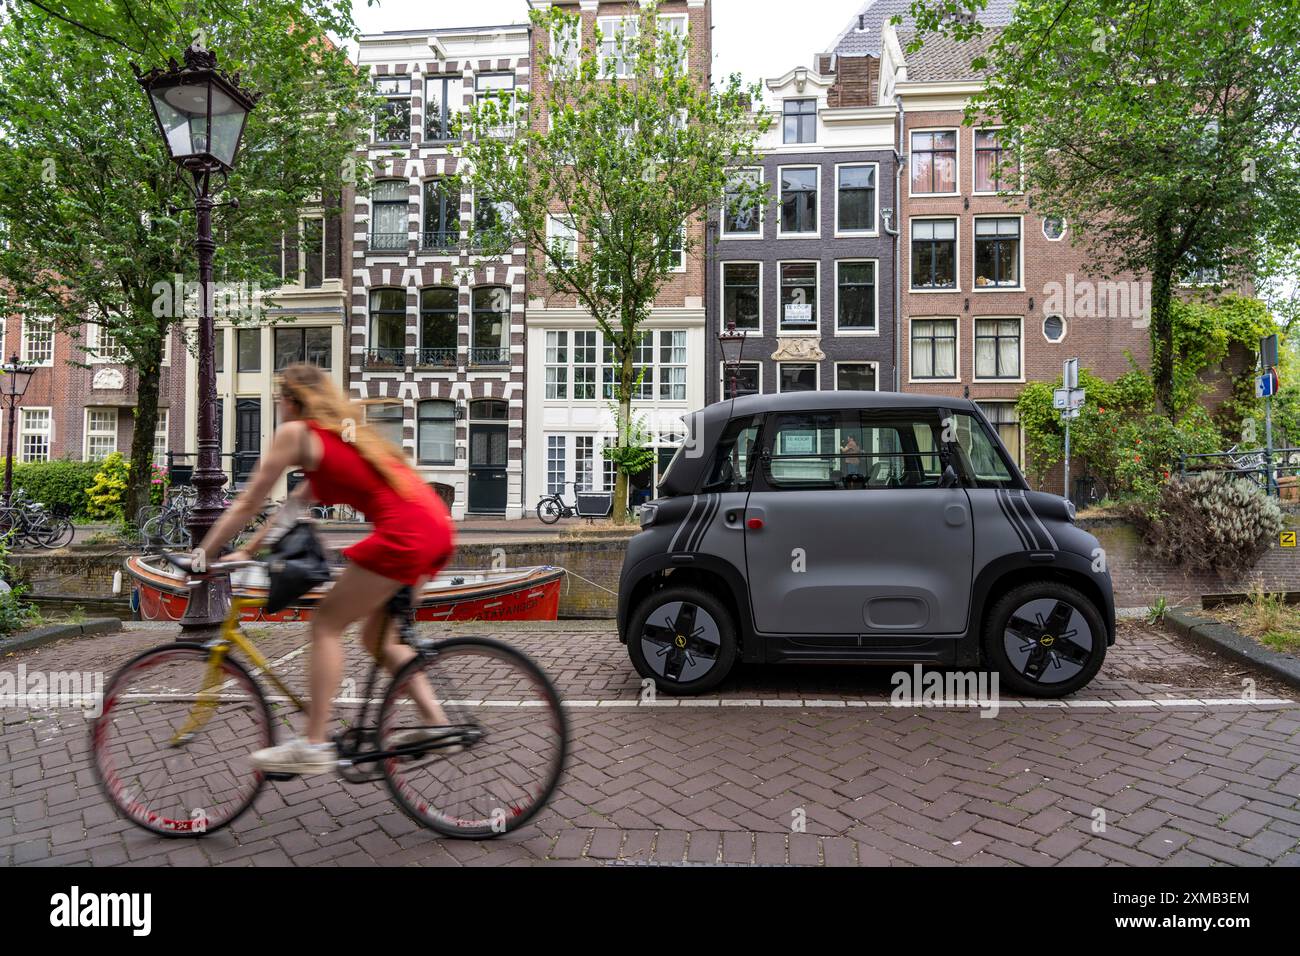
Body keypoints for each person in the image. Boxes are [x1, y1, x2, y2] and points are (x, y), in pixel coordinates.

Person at [197, 363, 456, 774]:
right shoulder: (346, 439)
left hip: (404, 535)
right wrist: (247, 549)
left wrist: (203, 553)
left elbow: (248, 502)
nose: (278, 408)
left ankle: (314, 744)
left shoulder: (297, 435)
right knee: (378, 639)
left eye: (279, 399)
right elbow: (291, 508)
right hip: (436, 529)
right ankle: (438, 724)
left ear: (290, 400)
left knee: (325, 625)